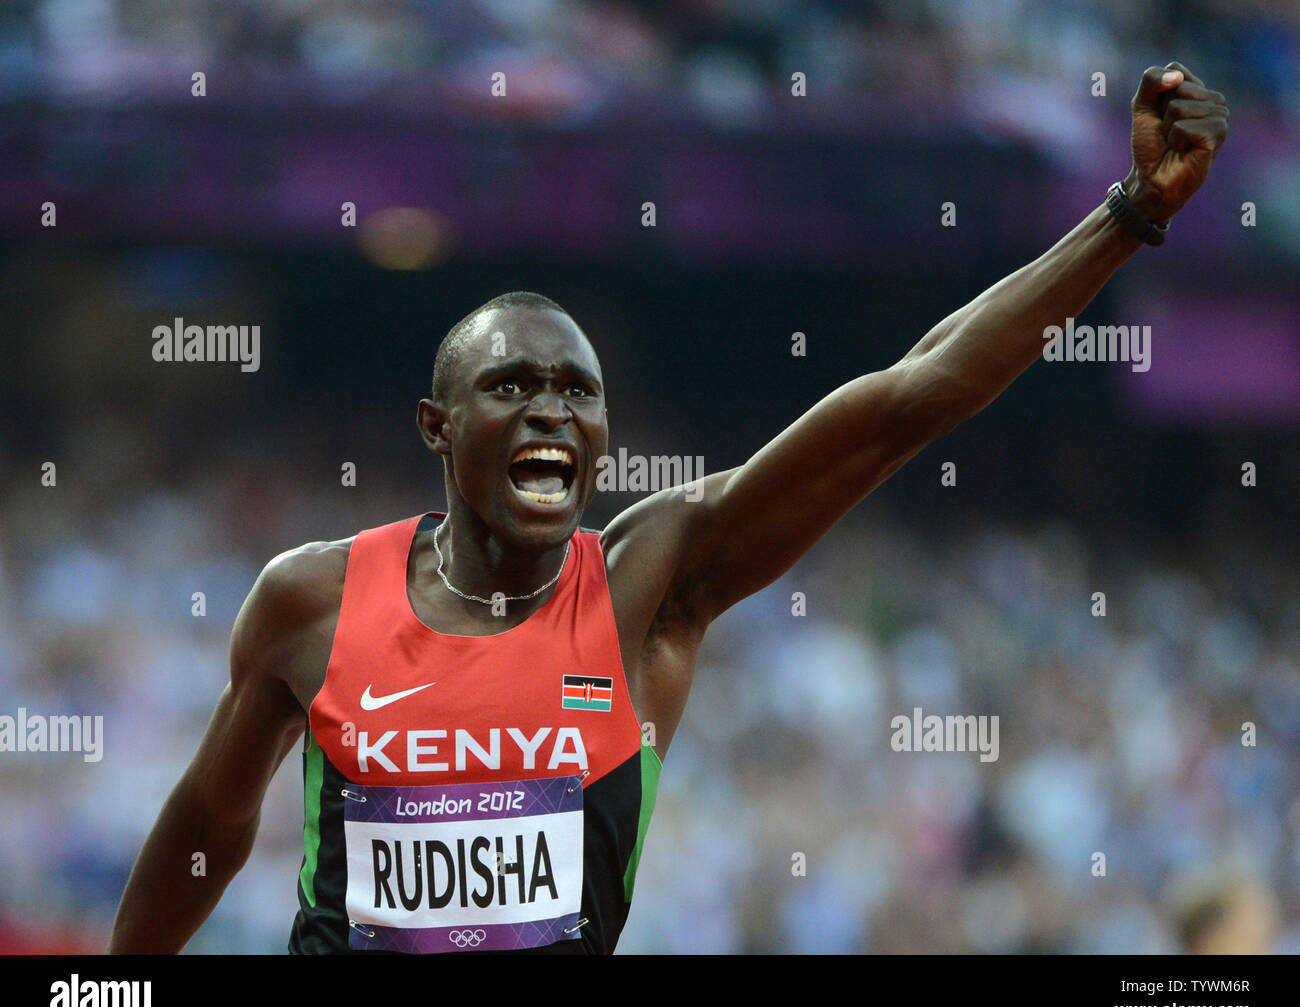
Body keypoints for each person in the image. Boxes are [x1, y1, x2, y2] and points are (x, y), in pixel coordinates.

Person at [109, 62, 1228, 954]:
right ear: (435, 428)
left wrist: (1128, 215)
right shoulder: (312, 599)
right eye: (512, 387)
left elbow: (910, 398)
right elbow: (210, 825)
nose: (552, 415)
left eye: (577, 394)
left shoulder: (651, 581)